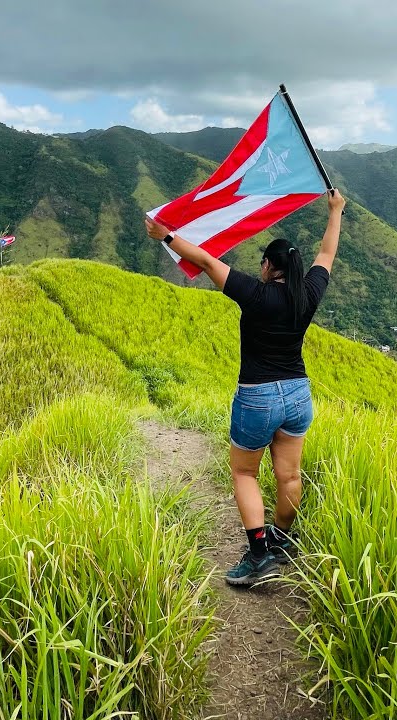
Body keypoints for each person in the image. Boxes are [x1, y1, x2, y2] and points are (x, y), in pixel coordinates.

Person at [144, 188, 346, 586]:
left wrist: (165, 235)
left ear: (270, 266)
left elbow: (203, 259)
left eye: (263, 262)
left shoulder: (254, 294)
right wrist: (335, 211)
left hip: (258, 396)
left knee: (245, 473)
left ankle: (259, 557)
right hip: (298, 393)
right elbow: (327, 254)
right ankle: (283, 541)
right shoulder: (308, 293)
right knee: (289, 476)